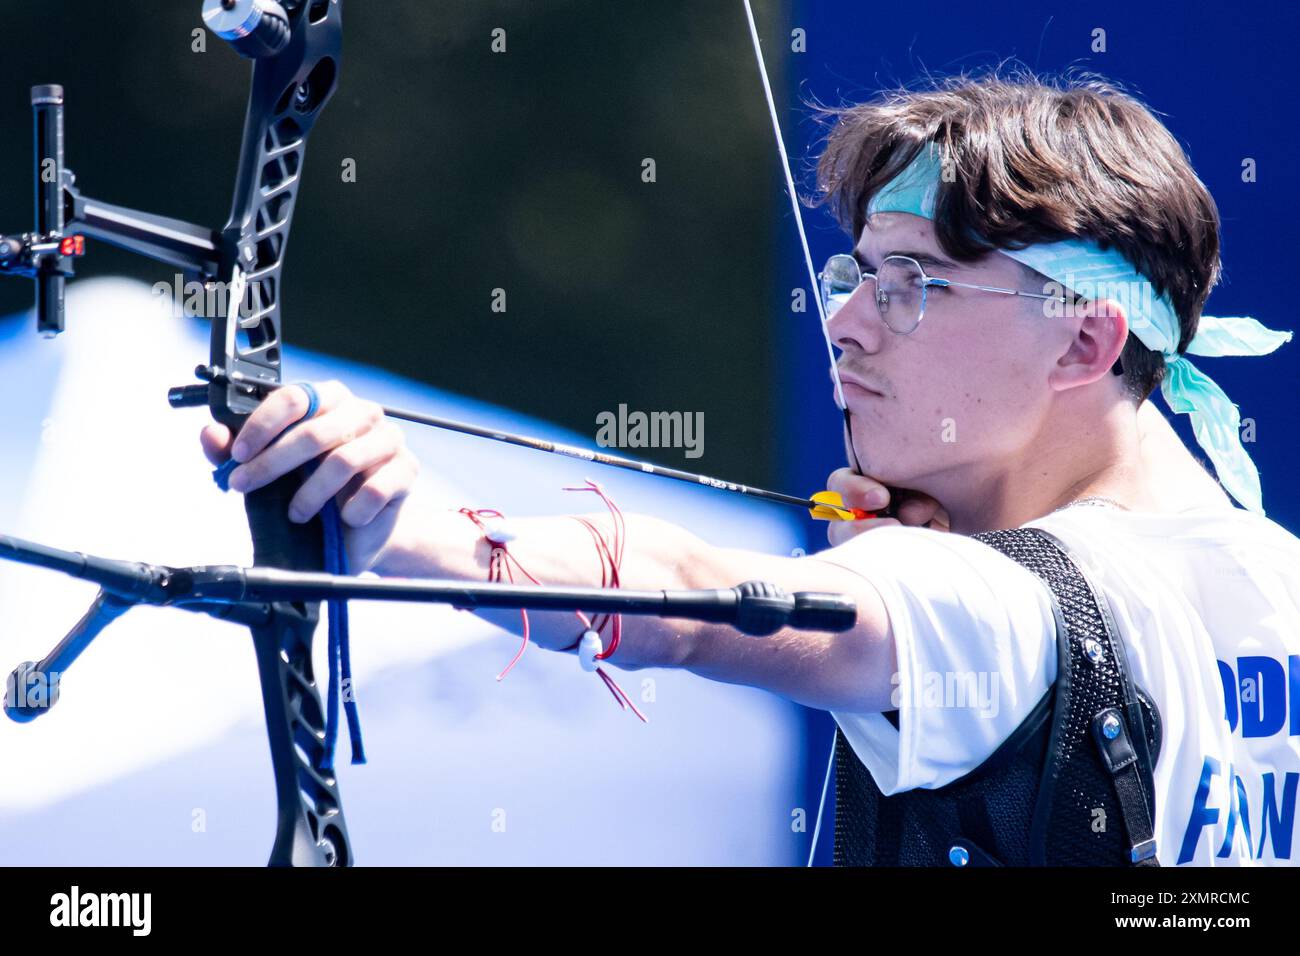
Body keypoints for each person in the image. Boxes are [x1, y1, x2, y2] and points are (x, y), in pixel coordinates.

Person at [200, 72, 1298, 866]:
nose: (847, 322)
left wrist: (424, 536)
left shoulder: (986, 604)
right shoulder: (1276, 580)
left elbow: (688, 600)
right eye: (853, 273)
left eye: (912, 283)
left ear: (1082, 342)